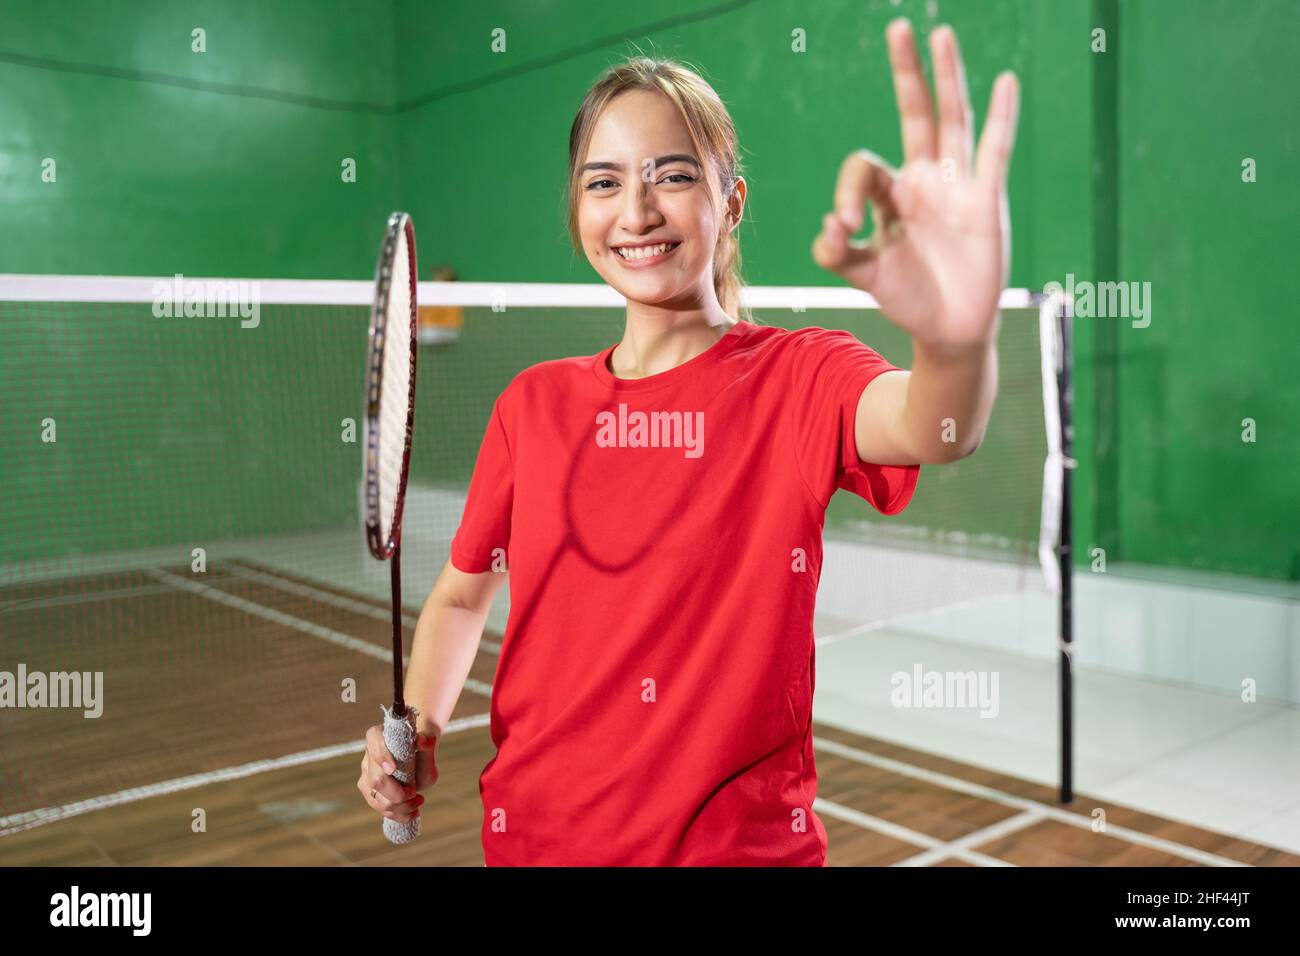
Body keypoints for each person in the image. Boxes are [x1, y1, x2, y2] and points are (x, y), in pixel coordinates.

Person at [359, 17, 1019, 866]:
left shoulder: (800, 376)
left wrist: (958, 341)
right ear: (576, 207)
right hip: (535, 843)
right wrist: (421, 720)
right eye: (603, 183)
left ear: (731, 201)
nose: (635, 210)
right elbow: (460, 596)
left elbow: (940, 427)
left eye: (671, 176)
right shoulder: (533, 405)